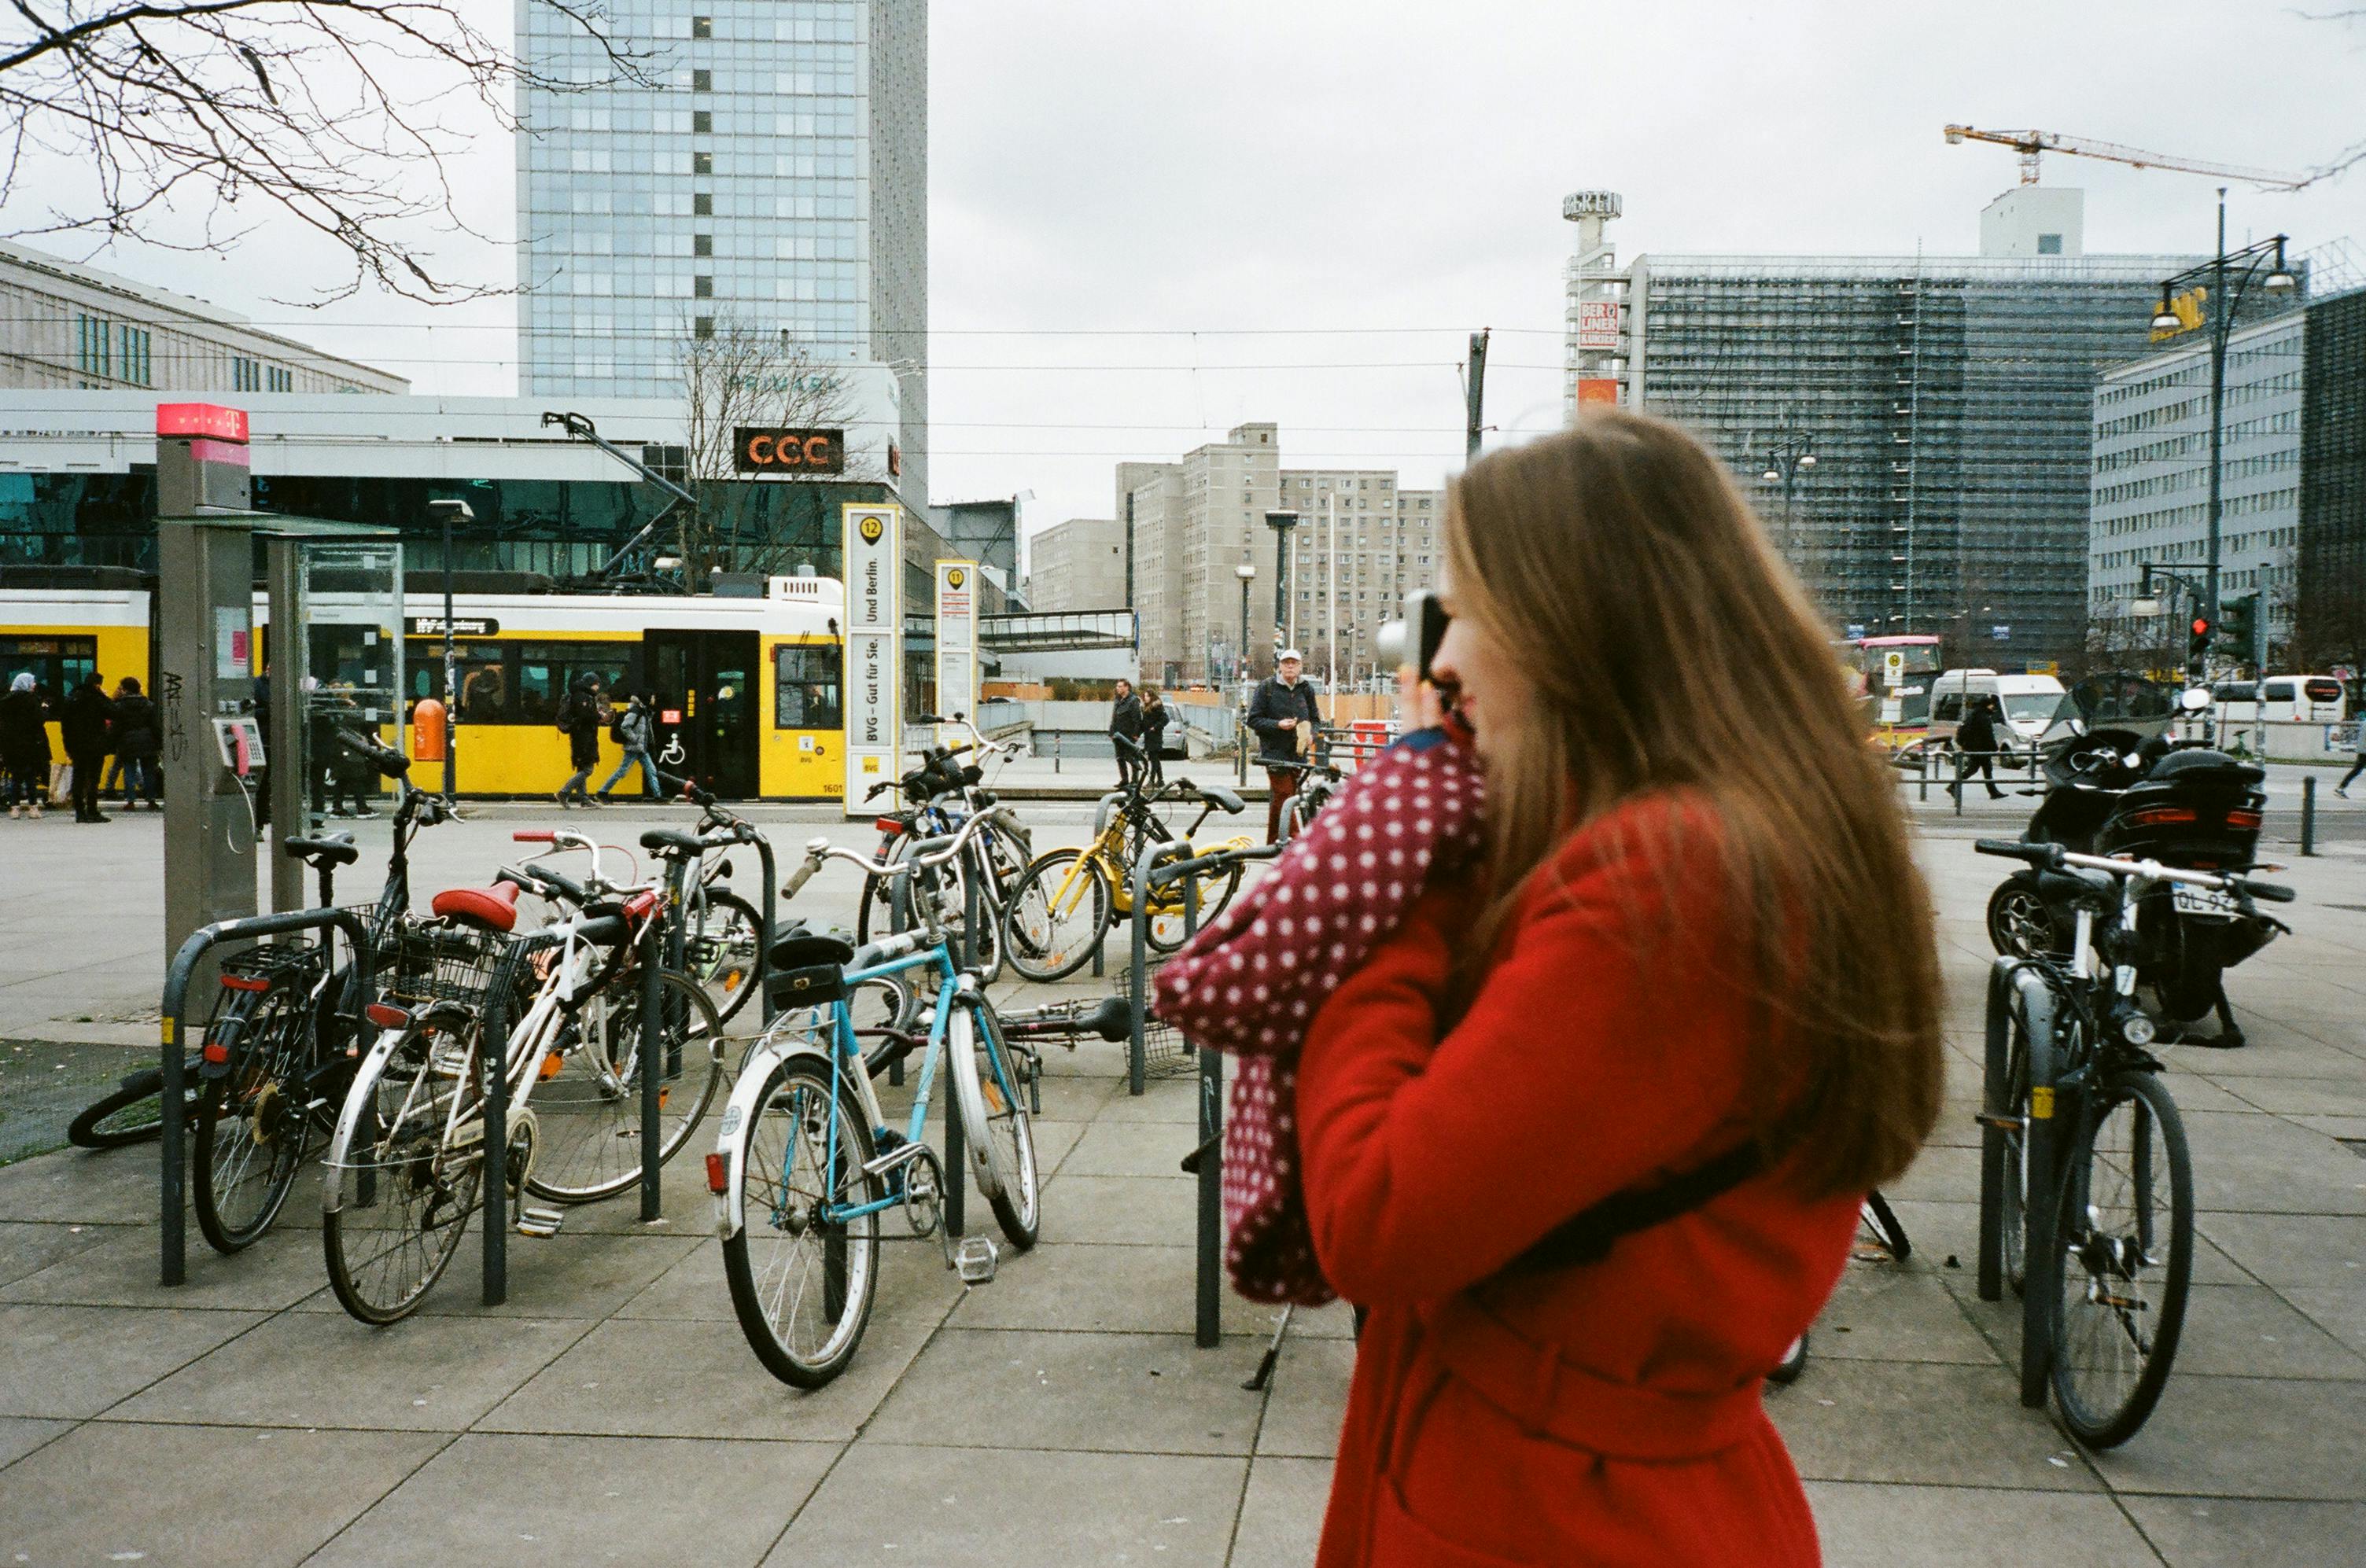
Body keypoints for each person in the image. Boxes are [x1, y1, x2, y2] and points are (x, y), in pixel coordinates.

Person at [1264, 413, 1941, 1566]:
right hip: (1592, 1480)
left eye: (1464, 612)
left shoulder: (1670, 884)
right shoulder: (1747, 834)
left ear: (1566, 632)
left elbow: (1376, 1218)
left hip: (1546, 1508)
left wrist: (1392, 899)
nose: (1441, 661)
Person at [1247, 649, 1323, 842]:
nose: (1290, 666)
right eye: (1286, 662)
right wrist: (1277, 725)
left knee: (1282, 799)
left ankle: (1274, 842)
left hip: (1297, 753)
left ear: (1300, 666)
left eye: (1294, 663)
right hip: (1274, 753)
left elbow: (1315, 719)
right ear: (1279, 666)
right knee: (1284, 796)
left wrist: (1312, 735)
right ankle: (1297, 841)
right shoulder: (1267, 687)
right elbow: (1253, 719)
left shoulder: (1306, 688)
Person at [60, 671, 116, 823]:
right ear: (97, 685)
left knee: (78, 777)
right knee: (93, 778)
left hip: (76, 746)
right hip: (95, 745)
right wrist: (103, 696)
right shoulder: (96, 698)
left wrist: (68, 746)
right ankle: (92, 810)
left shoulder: (71, 698)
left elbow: (65, 726)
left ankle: (80, 812)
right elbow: (114, 712)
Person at [1, 671, 50, 819]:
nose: (34, 685)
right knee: (30, 777)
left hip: (11, 745)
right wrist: (44, 708)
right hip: (30, 744)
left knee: (15, 778)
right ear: (26, 684)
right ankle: (33, 808)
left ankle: (15, 808)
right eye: (32, 682)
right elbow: (39, 720)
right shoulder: (31, 700)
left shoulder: (5, 701)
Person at [595, 692, 661, 801]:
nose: (653, 699)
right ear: (646, 698)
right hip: (633, 748)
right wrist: (635, 739)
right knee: (622, 771)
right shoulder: (636, 710)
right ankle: (602, 792)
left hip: (641, 748)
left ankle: (658, 795)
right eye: (652, 697)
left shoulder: (644, 710)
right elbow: (625, 726)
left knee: (651, 770)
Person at [109, 677, 161, 811]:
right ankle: (151, 800)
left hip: (127, 741)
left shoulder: (119, 706)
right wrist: (159, 742)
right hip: (147, 740)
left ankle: (131, 801)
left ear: (125, 690)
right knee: (148, 772)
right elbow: (155, 726)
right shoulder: (149, 705)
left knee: (129, 771)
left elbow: (116, 727)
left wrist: (111, 741)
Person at [555, 674, 605, 807]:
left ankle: (584, 799)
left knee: (582, 767)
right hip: (583, 737)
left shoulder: (582, 695)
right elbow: (584, 716)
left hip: (582, 735)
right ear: (591, 683)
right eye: (597, 684)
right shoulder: (582, 696)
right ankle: (564, 792)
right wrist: (599, 716)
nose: (598, 687)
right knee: (588, 769)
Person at [1951, 692, 2006, 802]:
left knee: (1983, 769)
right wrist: (1994, 747)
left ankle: (1993, 792)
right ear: (1987, 705)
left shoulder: (1975, 714)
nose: (1993, 707)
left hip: (1974, 747)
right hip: (1981, 748)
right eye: (1991, 705)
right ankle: (1952, 786)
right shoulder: (1984, 717)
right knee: (1975, 769)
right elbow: (1988, 734)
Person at [1108, 678, 1144, 789]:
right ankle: (1124, 780)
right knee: (1120, 758)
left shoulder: (1133, 701)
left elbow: (1137, 720)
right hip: (1117, 734)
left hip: (1128, 735)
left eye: (1120, 686)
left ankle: (1135, 781)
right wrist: (1111, 732)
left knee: (1131, 757)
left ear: (1126, 687)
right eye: (1117, 686)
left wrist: (1136, 734)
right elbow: (1114, 717)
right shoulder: (1118, 699)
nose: (1118, 688)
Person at [1138, 685, 1170, 787]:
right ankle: (1160, 780)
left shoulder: (1157, 707)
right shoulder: (1146, 708)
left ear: (1152, 697)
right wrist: (1138, 733)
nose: (1145, 698)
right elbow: (1144, 723)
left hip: (1155, 736)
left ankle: (1152, 780)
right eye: (1145, 696)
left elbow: (1165, 719)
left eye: (1147, 696)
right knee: (1155, 759)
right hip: (1149, 736)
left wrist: (1155, 727)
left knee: (1154, 759)